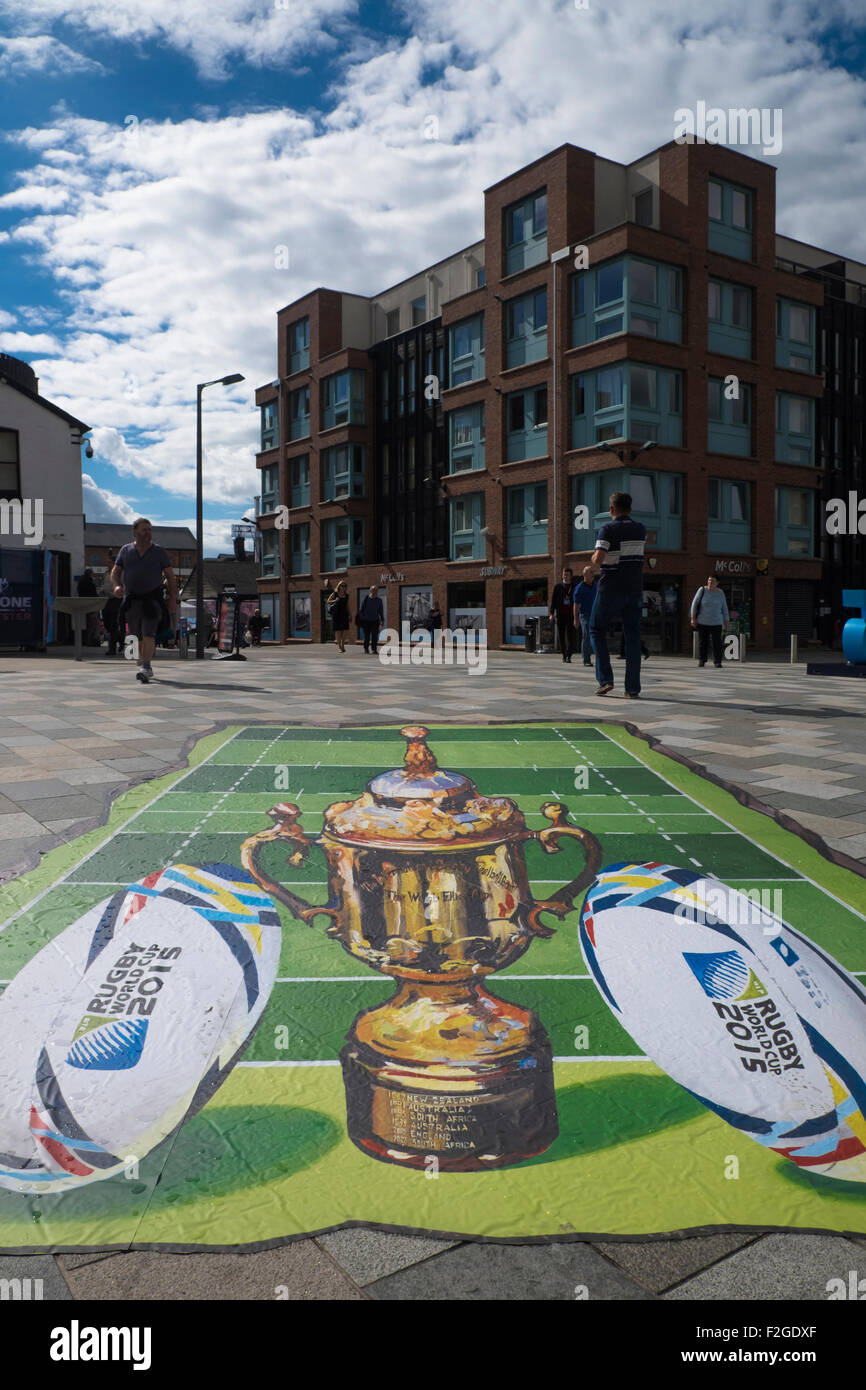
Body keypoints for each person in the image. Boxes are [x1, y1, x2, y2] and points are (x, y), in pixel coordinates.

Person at [589, 491, 647, 699]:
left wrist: (593, 557)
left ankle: (605, 680)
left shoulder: (607, 529)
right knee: (632, 636)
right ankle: (632, 689)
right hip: (634, 588)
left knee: (596, 630)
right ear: (630, 509)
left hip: (611, 588)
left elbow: (600, 557)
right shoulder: (640, 529)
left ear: (611, 509)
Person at [110, 517, 178, 684]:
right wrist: (116, 586)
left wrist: (172, 599)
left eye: (149, 529)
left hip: (152, 599)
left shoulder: (158, 551)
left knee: (148, 633)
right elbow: (115, 572)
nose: (148, 533)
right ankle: (143, 660)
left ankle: (147, 667)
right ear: (135, 532)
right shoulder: (125, 551)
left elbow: (170, 576)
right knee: (136, 635)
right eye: (144, 529)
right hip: (132, 599)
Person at [690, 575, 730, 668]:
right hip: (703, 621)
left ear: (717, 583)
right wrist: (693, 618)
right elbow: (694, 604)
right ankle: (702, 660)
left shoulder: (720, 593)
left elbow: (724, 607)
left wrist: (726, 621)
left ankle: (717, 661)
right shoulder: (702, 590)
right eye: (709, 580)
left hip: (716, 622)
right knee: (702, 642)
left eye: (712, 581)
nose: (710, 583)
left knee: (717, 643)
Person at [572, 566, 597, 668]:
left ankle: (597, 657)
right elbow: (576, 605)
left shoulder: (596, 585)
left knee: (596, 636)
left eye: (593, 572)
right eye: (591, 572)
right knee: (586, 637)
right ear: (585, 575)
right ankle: (586, 659)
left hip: (595, 615)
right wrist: (576, 619)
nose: (593, 574)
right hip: (585, 616)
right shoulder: (579, 588)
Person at [550, 567, 576, 663]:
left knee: (570, 636)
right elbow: (553, 600)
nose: (565, 576)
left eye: (567, 575)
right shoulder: (558, 586)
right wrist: (551, 613)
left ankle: (569, 655)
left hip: (571, 615)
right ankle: (564, 655)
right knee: (561, 636)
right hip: (560, 614)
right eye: (564, 574)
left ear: (571, 576)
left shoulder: (574, 586)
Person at [358, 584, 384, 654]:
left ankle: (374, 649)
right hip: (366, 621)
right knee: (366, 636)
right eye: (373, 590)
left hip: (375, 620)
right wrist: (362, 619)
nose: (374, 591)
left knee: (375, 636)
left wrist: (382, 620)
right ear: (370, 590)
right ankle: (366, 648)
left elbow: (381, 611)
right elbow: (361, 610)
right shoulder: (366, 599)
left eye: (376, 590)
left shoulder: (379, 600)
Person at [327, 580, 351, 653]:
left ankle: (343, 645)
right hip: (336, 614)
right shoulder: (335, 593)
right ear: (339, 586)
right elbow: (328, 601)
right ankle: (340, 647)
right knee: (338, 631)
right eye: (342, 586)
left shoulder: (347, 595)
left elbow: (348, 606)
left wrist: (350, 614)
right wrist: (334, 600)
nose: (343, 587)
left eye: (345, 586)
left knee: (345, 631)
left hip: (344, 614)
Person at [100, 591, 123, 656]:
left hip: (116, 600)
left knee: (113, 625)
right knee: (107, 624)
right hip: (105, 600)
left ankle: (112, 649)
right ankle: (120, 639)